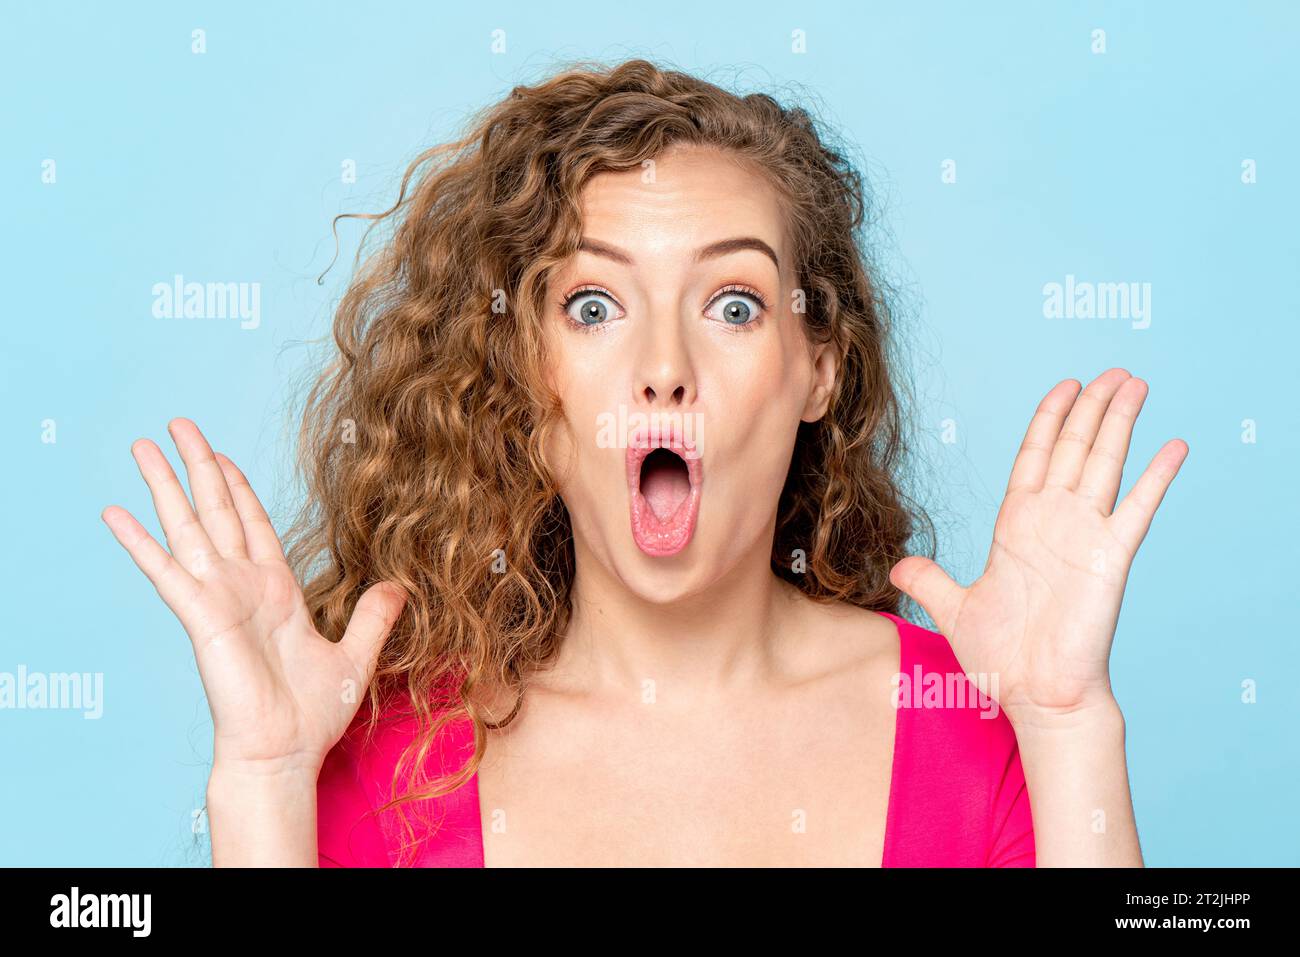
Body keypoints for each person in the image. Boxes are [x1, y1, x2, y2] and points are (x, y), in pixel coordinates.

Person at [101, 58, 1187, 867]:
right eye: (592, 306)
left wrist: (1065, 726)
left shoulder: (977, 723)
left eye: (731, 304)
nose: (662, 368)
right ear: (524, 379)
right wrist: (262, 786)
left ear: (817, 370)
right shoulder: (384, 760)